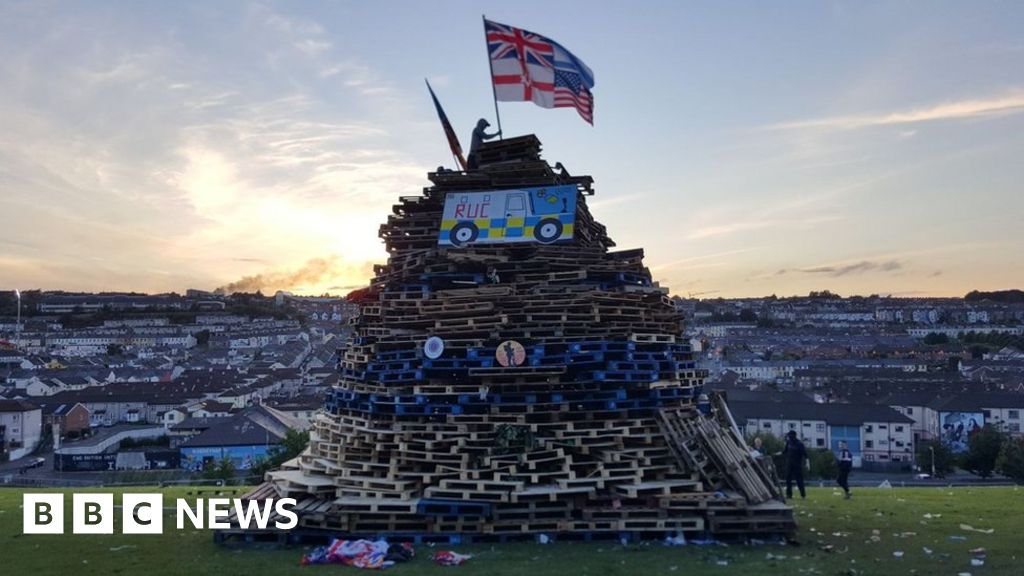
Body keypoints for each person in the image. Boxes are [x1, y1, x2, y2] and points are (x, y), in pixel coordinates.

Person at [780, 430, 807, 499]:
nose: (789, 437)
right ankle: (789, 495)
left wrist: (807, 463)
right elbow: (785, 451)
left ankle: (803, 495)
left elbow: (805, 454)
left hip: (797, 464)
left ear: (794, 435)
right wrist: (779, 453)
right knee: (788, 479)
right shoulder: (788, 442)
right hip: (789, 464)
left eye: (790, 435)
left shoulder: (799, 444)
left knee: (799, 480)